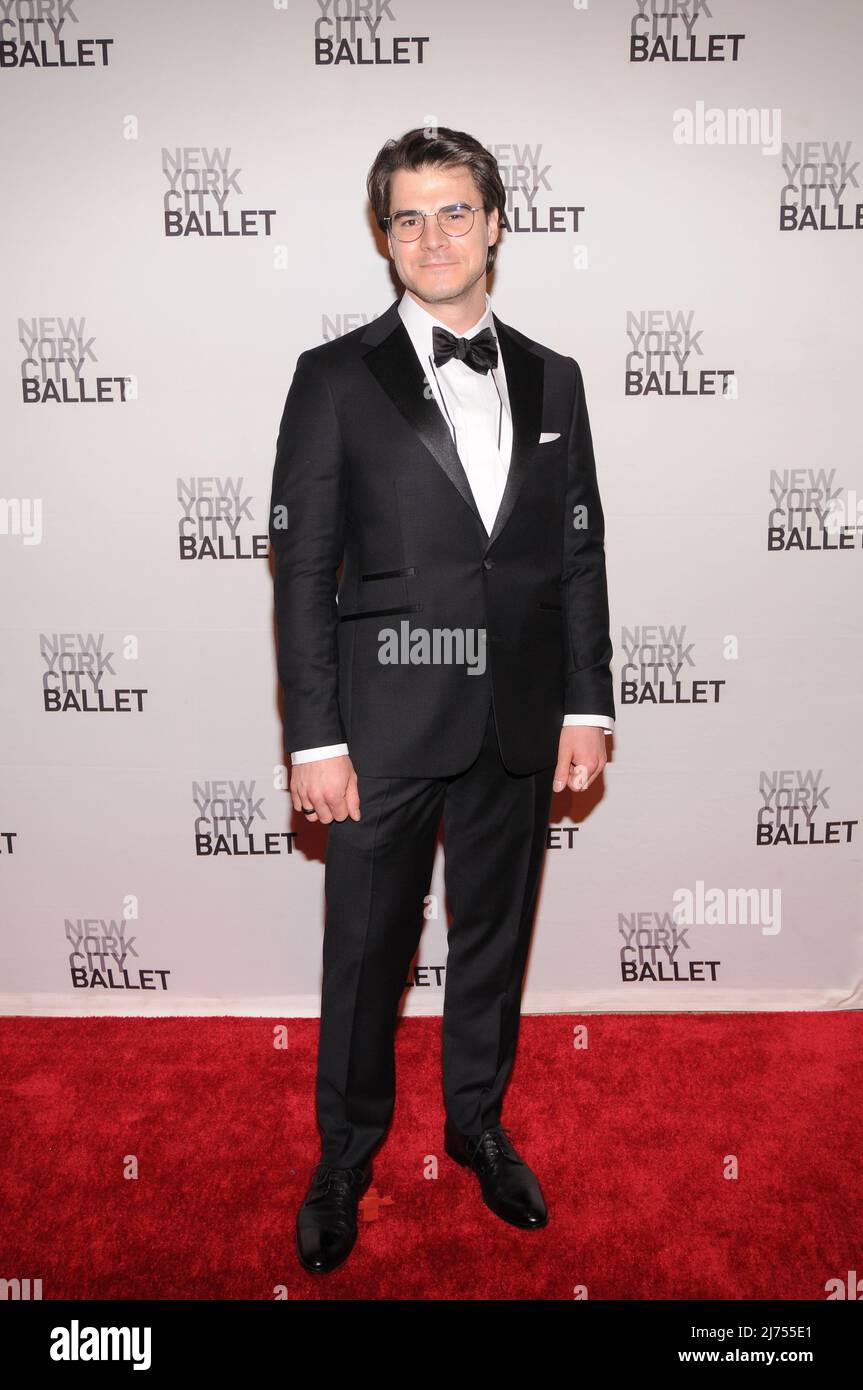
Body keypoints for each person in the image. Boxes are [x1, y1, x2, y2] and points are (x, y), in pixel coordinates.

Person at [268, 126, 615, 1275]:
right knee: (365, 952)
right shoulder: (331, 377)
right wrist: (312, 734)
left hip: (516, 720)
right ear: (383, 236)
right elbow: (302, 563)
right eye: (407, 217)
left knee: (492, 944)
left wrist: (586, 702)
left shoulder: (554, 376)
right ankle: (344, 1157)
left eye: (453, 211)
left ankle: (474, 1125)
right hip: (378, 726)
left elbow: (575, 555)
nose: (432, 236)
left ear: (496, 223)